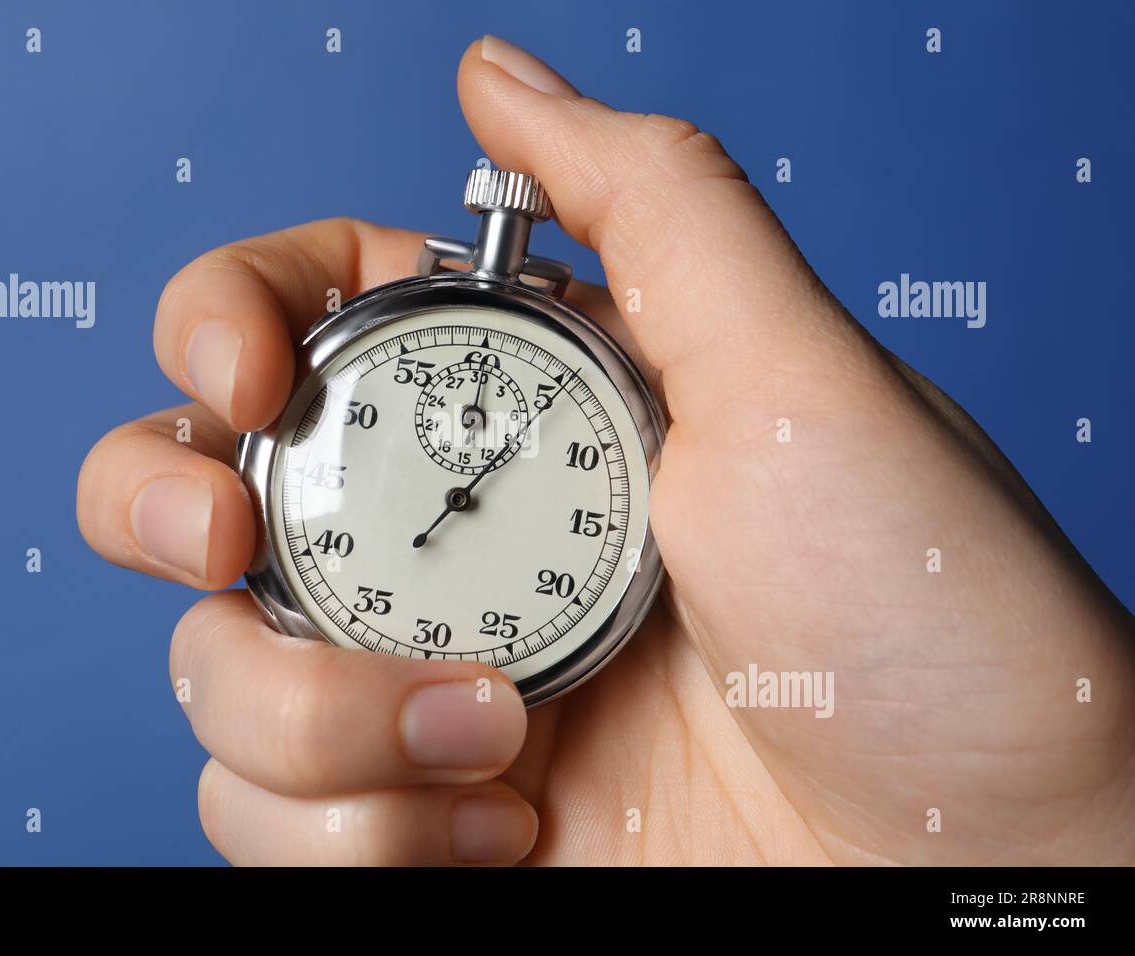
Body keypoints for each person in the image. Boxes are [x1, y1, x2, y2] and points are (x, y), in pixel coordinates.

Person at [76, 37, 1134, 866]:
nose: (459, 488)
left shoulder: (640, 426)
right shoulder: (360, 365)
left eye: (476, 475)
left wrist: (1057, 835)